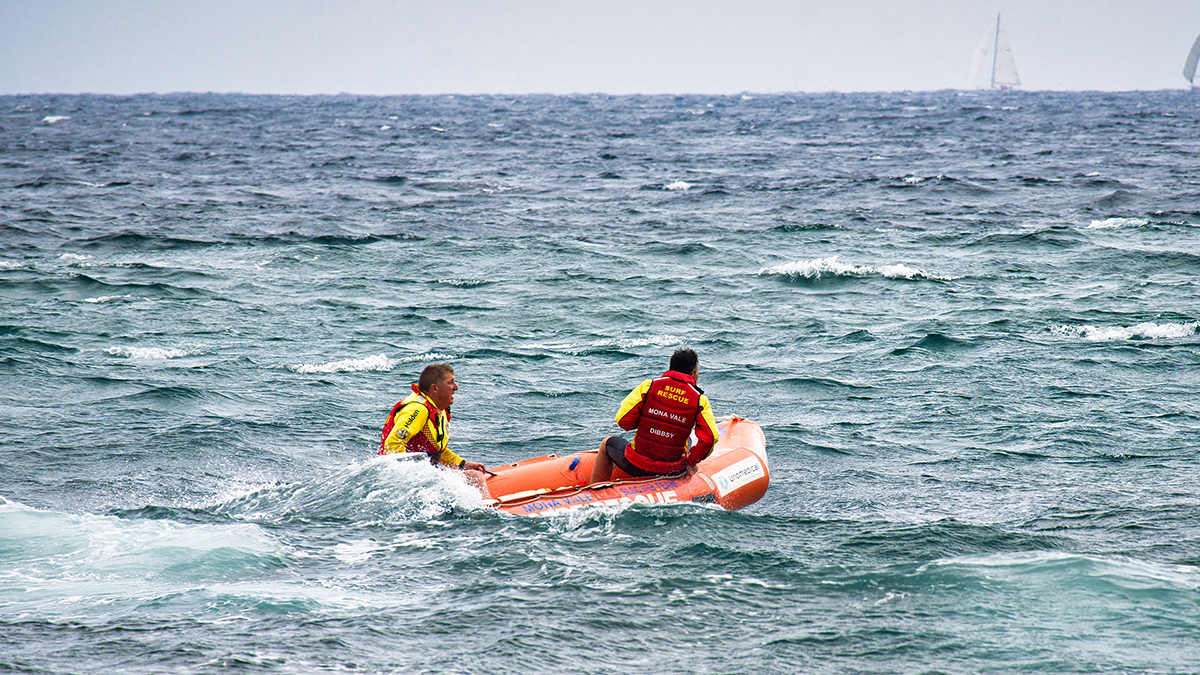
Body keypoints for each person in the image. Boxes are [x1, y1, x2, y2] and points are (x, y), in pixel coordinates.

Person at [590, 348, 720, 484]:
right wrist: (692, 461)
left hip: (636, 465)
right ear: (693, 372)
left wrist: (649, 421)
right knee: (686, 439)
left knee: (606, 444)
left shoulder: (649, 385)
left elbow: (623, 420)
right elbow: (711, 437)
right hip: (674, 470)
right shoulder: (699, 399)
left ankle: (595, 489)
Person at [379, 363, 487, 473]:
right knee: (475, 477)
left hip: (423, 472)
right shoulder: (418, 410)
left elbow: (435, 450)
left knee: (471, 474)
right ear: (434, 388)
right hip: (402, 474)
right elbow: (392, 445)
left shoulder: (437, 409)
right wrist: (412, 474)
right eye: (450, 383)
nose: (456, 387)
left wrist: (463, 464)